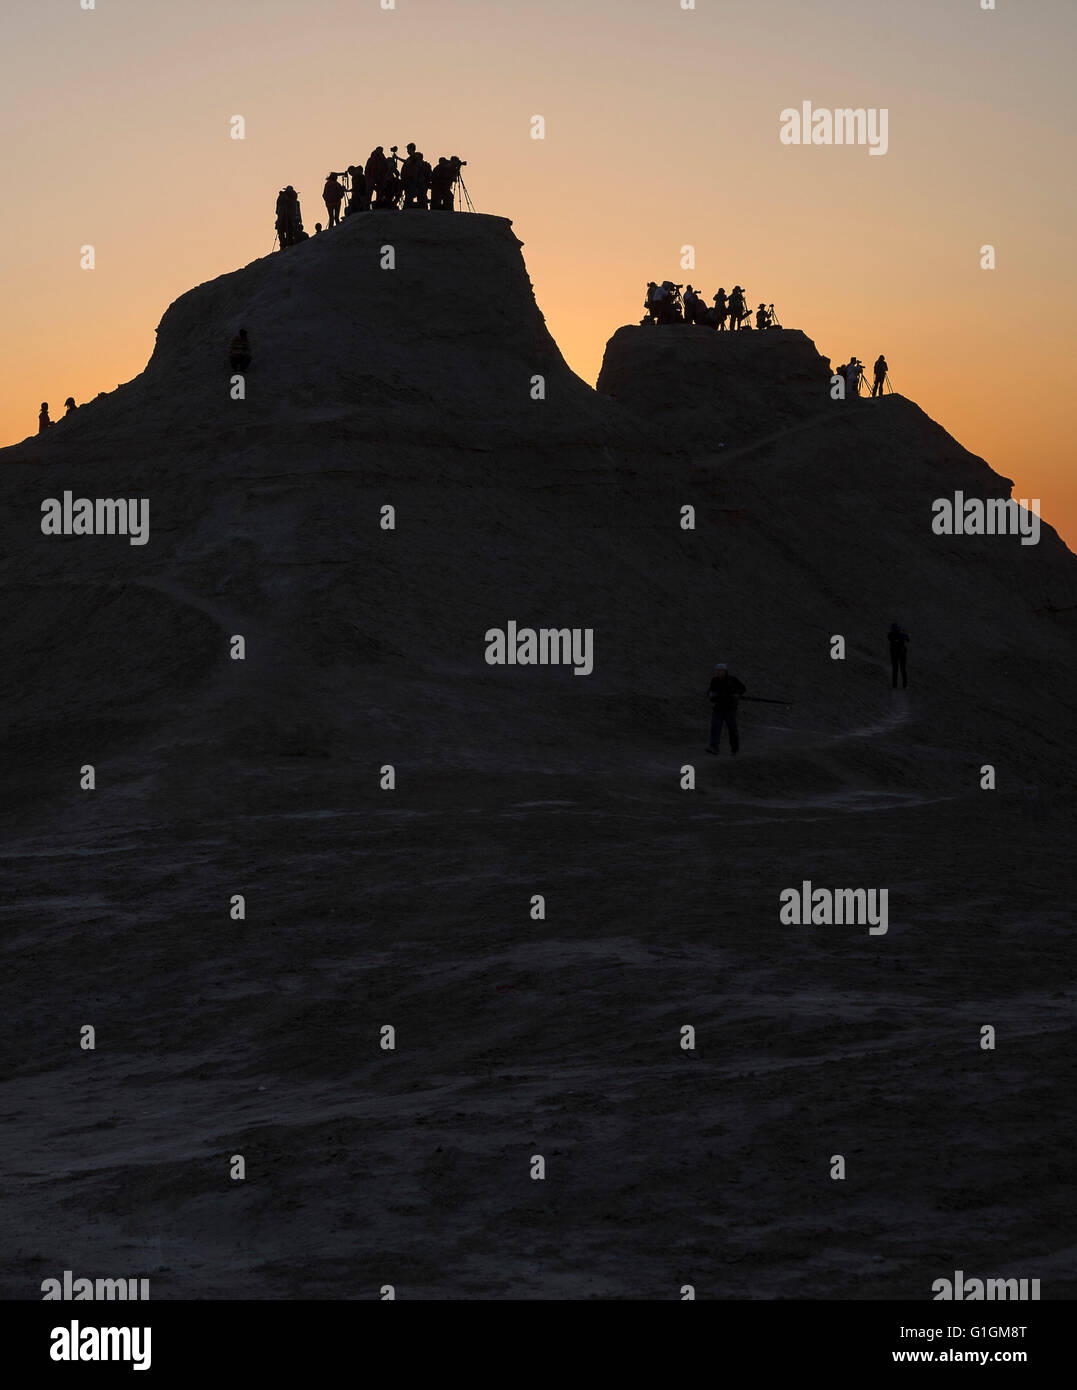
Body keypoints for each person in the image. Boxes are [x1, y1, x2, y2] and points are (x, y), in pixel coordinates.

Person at [707, 663, 747, 754]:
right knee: (715, 728)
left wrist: (737, 694)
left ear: (725, 671)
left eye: (720, 671)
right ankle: (714, 747)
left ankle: (734, 748)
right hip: (718, 708)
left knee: (732, 729)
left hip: (730, 709)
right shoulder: (715, 680)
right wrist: (711, 694)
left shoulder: (732, 680)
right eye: (717, 670)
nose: (718, 672)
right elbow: (710, 692)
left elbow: (743, 688)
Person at [888, 623, 909, 689]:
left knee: (896, 669)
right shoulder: (901, 635)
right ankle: (904, 685)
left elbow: (907, 639)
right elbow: (908, 640)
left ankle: (895, 685)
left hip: (895, 653)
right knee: (901, 669)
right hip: (900, 653)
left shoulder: (891, 634)